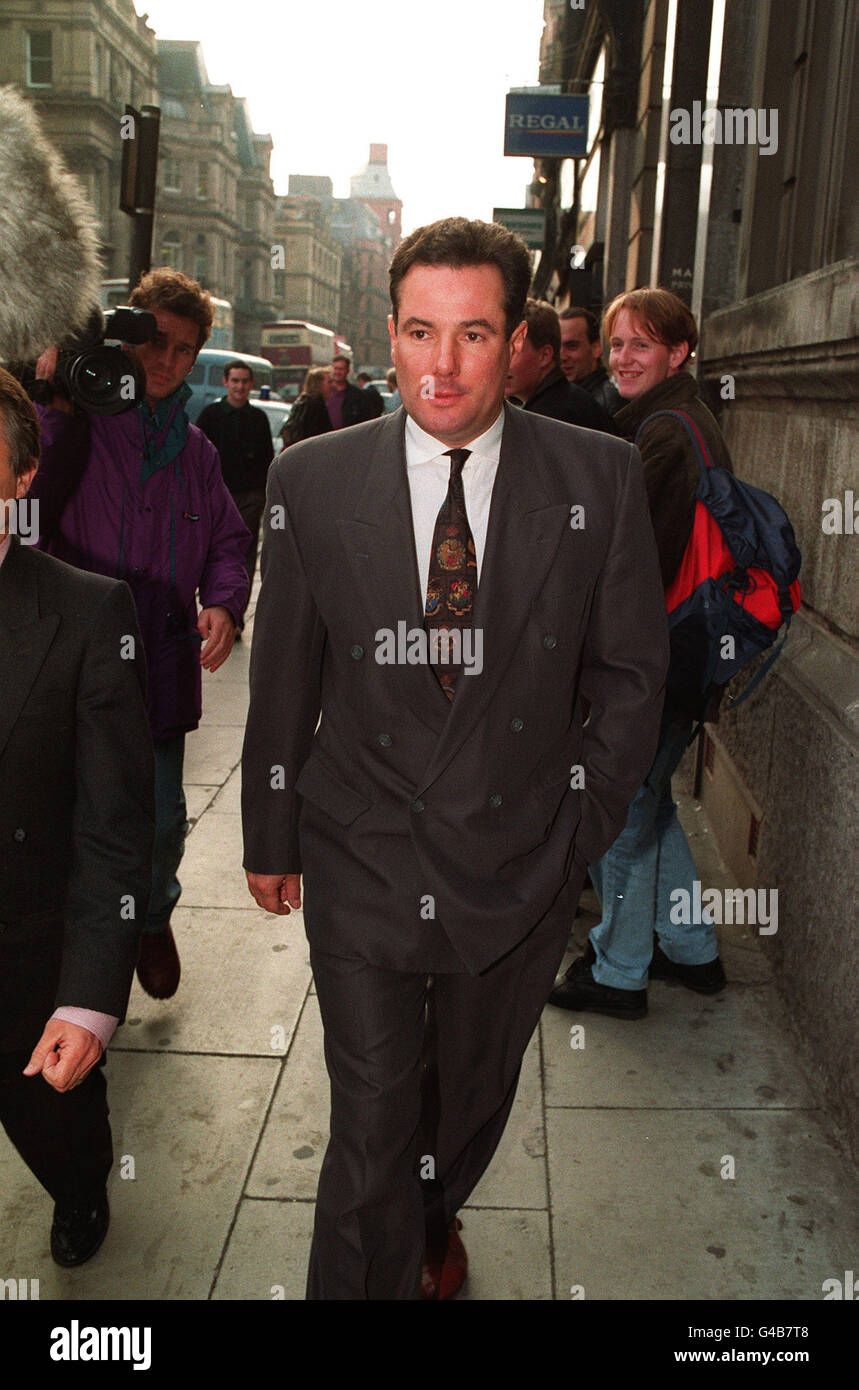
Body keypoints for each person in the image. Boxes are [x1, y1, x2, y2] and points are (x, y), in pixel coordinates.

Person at [241, 217, 669, 1300]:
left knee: (466, 1109)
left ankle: (431, 1216)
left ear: (516, 338)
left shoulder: (599, 476)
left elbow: (629, 675)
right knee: (374, 1124)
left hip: (520, 858)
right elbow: (284, 673)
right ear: (389, 331)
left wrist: (581, 833)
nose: (440, 366)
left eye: (472, 335)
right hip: (365, 854)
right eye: (420, 332)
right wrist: (270, 831)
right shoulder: (312, 479)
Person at [28, 268, 250, 1004]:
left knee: (157, 819)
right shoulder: (79, 424)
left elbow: (226, 537)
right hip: (67, 660)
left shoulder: (196, 451)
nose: (165, 359)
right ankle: (74, 955)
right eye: (153, 340)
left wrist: (223, 602)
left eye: (184, 350)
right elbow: (24, 492)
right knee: (64, 815)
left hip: (156, 664)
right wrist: (56, 394)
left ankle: (151, 917)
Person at [0, 368, 154, 1266]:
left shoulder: (90, 614)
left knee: (57, 1132)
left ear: (22, 480)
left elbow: (113, 827)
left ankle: (83, 1189)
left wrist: (91, 999)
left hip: (28, 959)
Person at [549, 287, 729, 1020]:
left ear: (677, 353)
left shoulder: (663, 435)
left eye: (641, 345)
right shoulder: (674, 420)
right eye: (616, 344)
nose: (623, 358)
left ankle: (620, 971)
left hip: (653, 667)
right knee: (648, 809)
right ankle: (690, 949)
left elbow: (634, 572)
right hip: (683, 663)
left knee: (616, 812)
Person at [196, 361, 274, 632]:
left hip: (248, 497)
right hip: (215, 497)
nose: (239, 386)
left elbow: (267, 459)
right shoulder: (211, 415)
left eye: (244, 381)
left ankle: (235, 614)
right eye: (235, 381)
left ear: (251, 384)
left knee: (245, 554)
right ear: (225, 382)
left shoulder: (258, 419)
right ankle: (213, 608)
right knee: (210, 552)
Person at [505, 299, 617, 434]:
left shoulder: (550, 417)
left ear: (545, 356)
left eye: (513, 351)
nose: (502, 362)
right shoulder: (564, 402)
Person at [559, 306, 622, 416]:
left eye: (572, 346)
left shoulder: (607, 404)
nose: (562, 356)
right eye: (557, 347)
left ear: (596, 348)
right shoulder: (567, 396)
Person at [282, 366, 334, 447]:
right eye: (329, 382)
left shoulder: (302, 401)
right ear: (318, 384)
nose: (332, 385)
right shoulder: (316, 405)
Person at [326, 354, 380, 430]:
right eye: (335, 368)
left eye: (341, 369)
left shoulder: (358, 395)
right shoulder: (324, 393)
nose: (337, 372)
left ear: (348, 371)